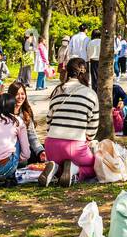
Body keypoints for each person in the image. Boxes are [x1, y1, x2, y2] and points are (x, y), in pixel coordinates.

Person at [45, 57, 100, 185]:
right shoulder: (90, 94)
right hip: (75, 148)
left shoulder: (57, 91)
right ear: (85, 72)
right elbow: (92, 130)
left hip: (51, 147)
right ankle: (75, 170)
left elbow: (49, 121)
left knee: (61, 163)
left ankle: (55, 168)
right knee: (95, 166)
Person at [7, 80, 44, 163]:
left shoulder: (26, 113)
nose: (20, 97)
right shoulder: (5, 112)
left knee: (43, 150)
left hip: (25, 150)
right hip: (8, 151)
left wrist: (40, 151)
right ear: (11, 96)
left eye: (22, 94)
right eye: (17, 94)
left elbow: (32, 136)